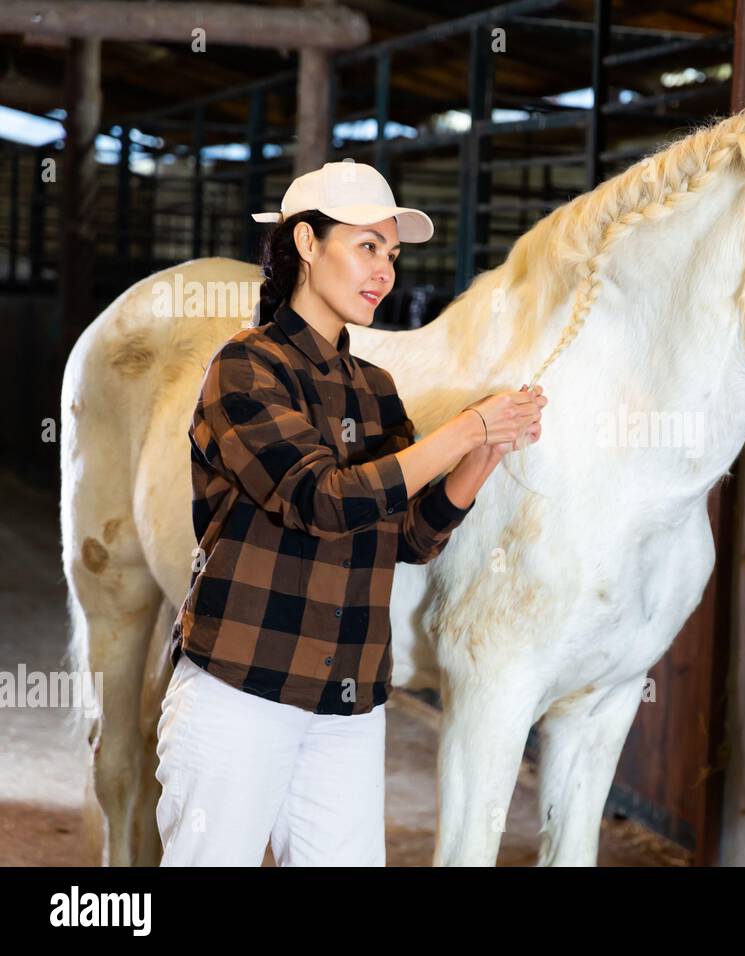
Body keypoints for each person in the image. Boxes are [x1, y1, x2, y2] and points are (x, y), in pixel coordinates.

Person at [155, 160, 546, 866]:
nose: (385, 271)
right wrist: (460, 430)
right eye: (367, 246)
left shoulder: (375, 388)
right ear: (306, 244)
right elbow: (322, 501)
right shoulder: (246, 368)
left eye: (392, 255)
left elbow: (409, 537)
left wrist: (484, 453)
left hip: (346, 702)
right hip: (243, 687)